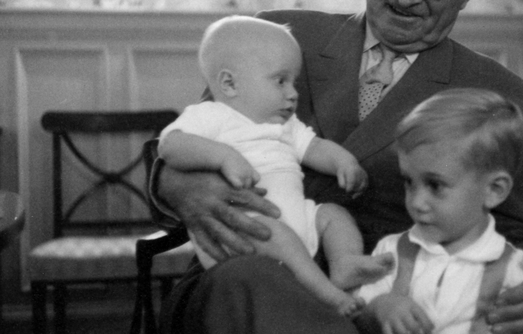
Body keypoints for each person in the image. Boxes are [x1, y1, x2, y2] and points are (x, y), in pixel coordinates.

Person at [151, 0, 523, 334]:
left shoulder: (503, 96)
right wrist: (179, 186)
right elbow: (181, 145)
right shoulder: (277, 38)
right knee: (249, 281)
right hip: (245, 278)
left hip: (392, 308)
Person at [157, 16, 392, 316]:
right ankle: (329, 296)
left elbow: (315, 147)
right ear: (229, 83)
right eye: (281, 81)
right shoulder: (213, 116)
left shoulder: (285, 125)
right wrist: (223, 157)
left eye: (293, 82)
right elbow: (171, 145)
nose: (293, 93)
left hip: (299, 221)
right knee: (277, 236)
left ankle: (344, 263)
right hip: (246, 231)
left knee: (333, 215)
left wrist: (343, 162)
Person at [354, 88, 523, 334]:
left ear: (494, 190)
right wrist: (379, 307)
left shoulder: (513, 271)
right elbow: (355, 315)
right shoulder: (392, 253)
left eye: (435, 185)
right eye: (409, 182)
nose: (417, 202)